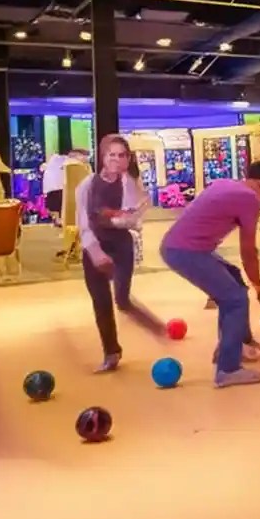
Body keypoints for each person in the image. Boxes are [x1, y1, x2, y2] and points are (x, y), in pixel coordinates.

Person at [161, 160, 260, 388]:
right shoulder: (249, 198)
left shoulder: (226, 184)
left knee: (234, 278)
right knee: (235, 299)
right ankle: (228, 369)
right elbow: (248, 249)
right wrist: (258, 286)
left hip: (177, 247)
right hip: (186, 252)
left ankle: (237, 343)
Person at [75, 135, 151, 372]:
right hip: (94, 243)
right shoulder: (86, 186)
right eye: (112, 155)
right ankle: (111, 351)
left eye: (121, 155)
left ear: (128, 159)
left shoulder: (133, 186)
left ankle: (149, 323)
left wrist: (120, 218)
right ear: (103, 158)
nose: (116, 160)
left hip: (121, 245)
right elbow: (84, 223)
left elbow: (133, 221)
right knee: (101, 300)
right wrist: (96, 252)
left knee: (122, 299)